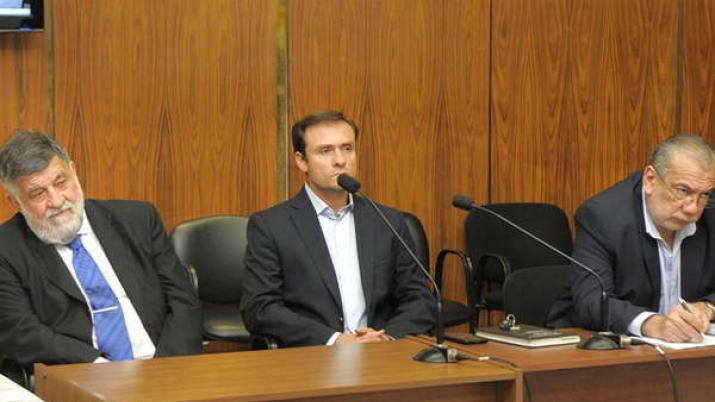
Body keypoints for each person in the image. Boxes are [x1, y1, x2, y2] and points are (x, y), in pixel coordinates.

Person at [0, 130, 202, 369]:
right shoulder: (7, 249)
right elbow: (22, 332)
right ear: (16, 202)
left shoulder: (138, 220)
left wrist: (164, 370)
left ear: (73, 171)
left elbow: (182, 301)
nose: (57, 201)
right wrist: (98, 368)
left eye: (61, 183)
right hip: (82, 370)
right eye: (38, 194)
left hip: (165, 364)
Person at [241, 110, 435, 347]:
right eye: (325, 151)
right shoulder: (271, 226)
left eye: (347, 148)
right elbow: (260, 308)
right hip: (310, 355)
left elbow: (419, 299)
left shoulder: (388, 221)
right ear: (301, 161)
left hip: (382, 353)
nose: (340, 160)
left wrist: (385, 339)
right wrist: (336, 340)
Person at [549, 134, 715, 343]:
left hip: (692, 351)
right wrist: (651, 324)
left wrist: (707, 307)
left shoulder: (710, 214)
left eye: (704, 195)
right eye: (683, 191)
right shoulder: (603, 217)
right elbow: (592, 301)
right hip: (605, 349)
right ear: (650, 180)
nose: (693, 209)